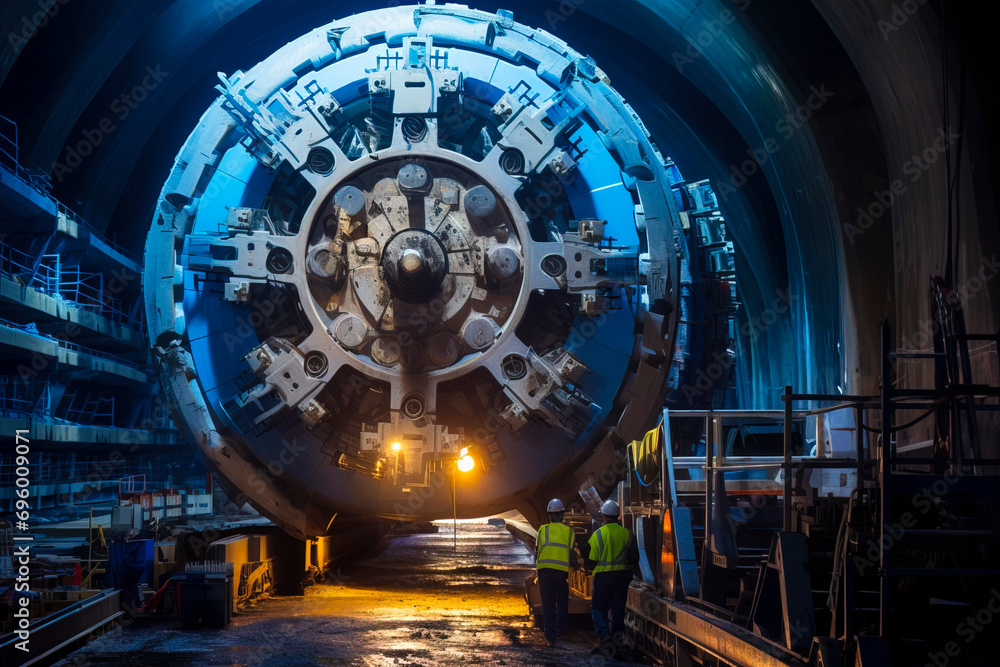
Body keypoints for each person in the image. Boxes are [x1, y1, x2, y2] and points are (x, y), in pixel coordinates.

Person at [588, 499, 639, 656]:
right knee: (618, 610)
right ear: (618, 517)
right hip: (622, 577)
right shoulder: (628, 535)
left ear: (603, 516)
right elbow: (634, 559)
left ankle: (605, 638)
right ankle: (618, 643)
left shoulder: (597, 535)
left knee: (598, 608)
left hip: (603, 578)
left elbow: (591, 561)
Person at [535, 498, 577, 647]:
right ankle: (561, 629)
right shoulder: (569, 532)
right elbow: (572, 554)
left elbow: (537, 551)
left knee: (547, 603)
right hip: (560, 572)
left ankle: (550, 635)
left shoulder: (542, 529)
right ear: (563, 514)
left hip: (544, 570)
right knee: (562, 600)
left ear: (549, 515)